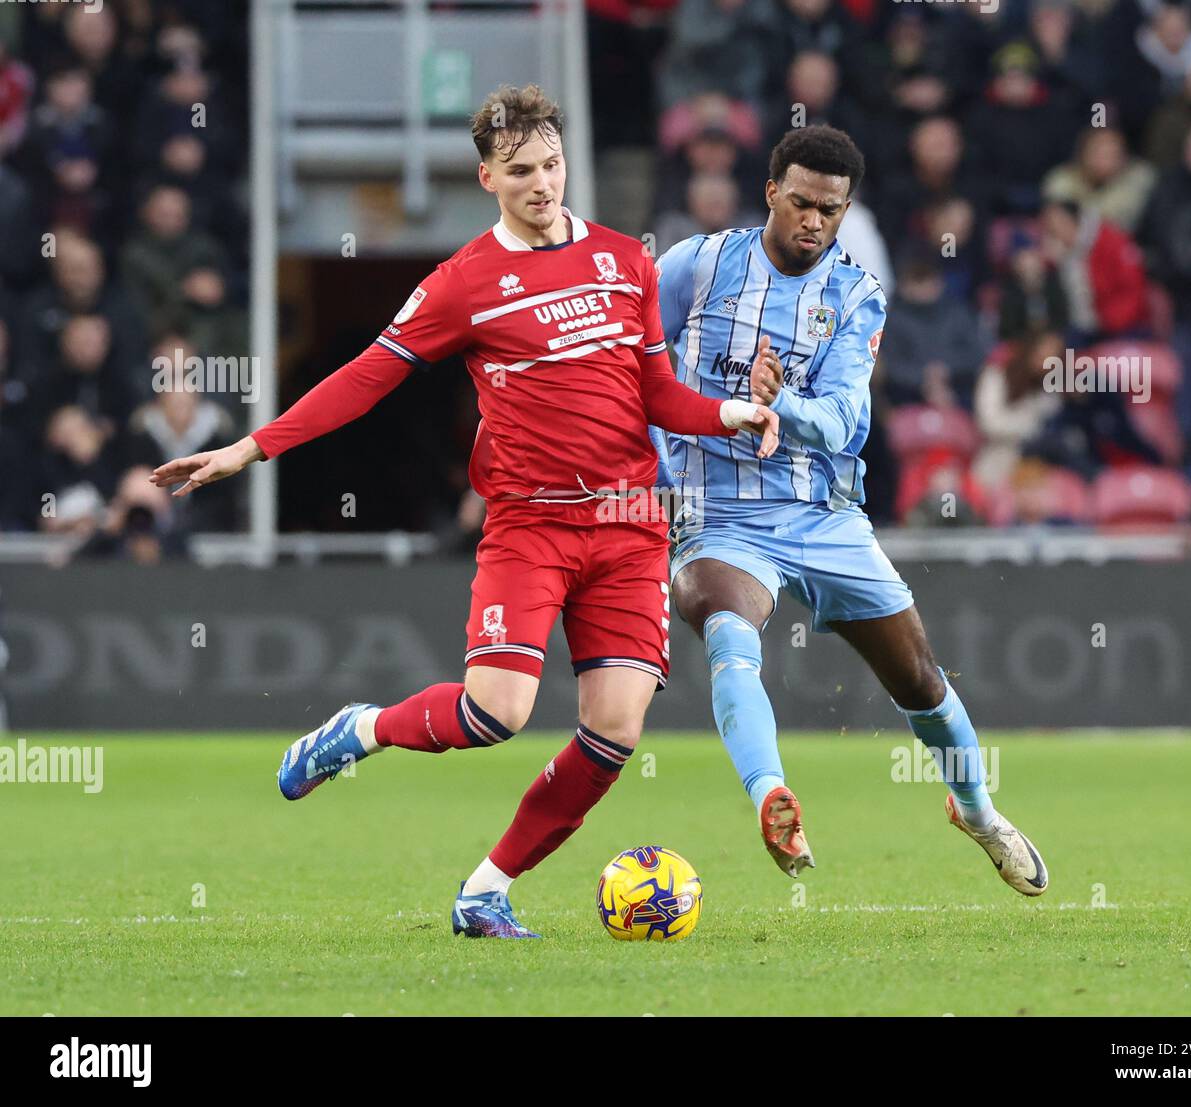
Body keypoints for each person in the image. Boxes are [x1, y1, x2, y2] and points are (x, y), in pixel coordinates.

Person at [149, 84, 780, 939]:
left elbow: (658, 392)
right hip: (532, 522)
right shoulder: (464, 284)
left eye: (553, 164)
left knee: (616, 730)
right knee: (496, 714)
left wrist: (730, 413)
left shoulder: (625, 260)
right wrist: (250, 447)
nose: (542, 183)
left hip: (632, 522)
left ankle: (486, 889)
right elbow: (367, 376)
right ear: (487, 176)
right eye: (521, 170)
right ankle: (364, 728)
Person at [651, 125, 1048, 895]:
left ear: (845, 209)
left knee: (921, 679)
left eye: (829, 209)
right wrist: (656, 464)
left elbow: (844, 423)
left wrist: (780, 403)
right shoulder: (695, 267)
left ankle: (978, 811)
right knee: (729, 632)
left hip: (822, 515)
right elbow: (637, 367)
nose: (813, 221)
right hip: (721, 515)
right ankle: (772, 795)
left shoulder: (856, 295)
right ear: (771, 191)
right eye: (800, 202)